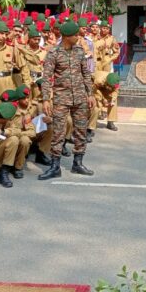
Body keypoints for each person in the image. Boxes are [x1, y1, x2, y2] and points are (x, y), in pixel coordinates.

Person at [38, 21, 95, 180]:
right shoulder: (54, 53)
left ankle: (78, 163)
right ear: (66, 37)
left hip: (80, 97)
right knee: (58, 131)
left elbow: (86, 73)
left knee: (81, 130)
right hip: (61, 98)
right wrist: (45, 100)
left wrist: (90, 94)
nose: (79, 37)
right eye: (76, 35)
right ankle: (55, 166)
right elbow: (47, 78)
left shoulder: (79, 51)